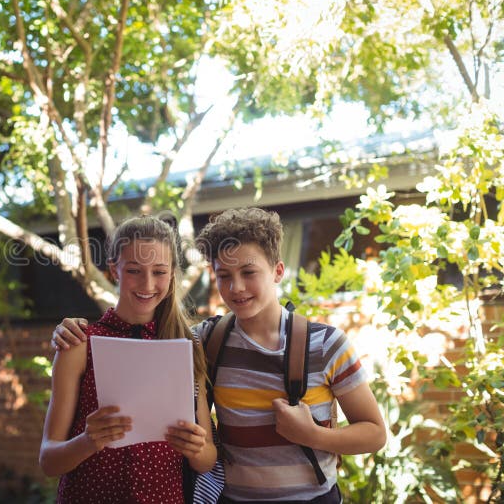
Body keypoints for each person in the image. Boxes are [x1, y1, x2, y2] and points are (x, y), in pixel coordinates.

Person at [52, 207, 387, 503]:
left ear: (278, 271)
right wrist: (71, 326)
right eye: (224, 276)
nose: (236, 287)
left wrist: (313, 435)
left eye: (249, 272)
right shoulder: (204, 341)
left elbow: (374, 432)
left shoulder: (326, 344)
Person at [39, 215, 217, 503]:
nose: (147, 283)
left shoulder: (186, 344)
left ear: (172, 273)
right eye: (134, 270)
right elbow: (49, 461)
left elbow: (207, 459)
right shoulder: (79, 344)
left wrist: (196, 448)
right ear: (114, 270)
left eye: (159, 271)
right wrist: (88, 441)